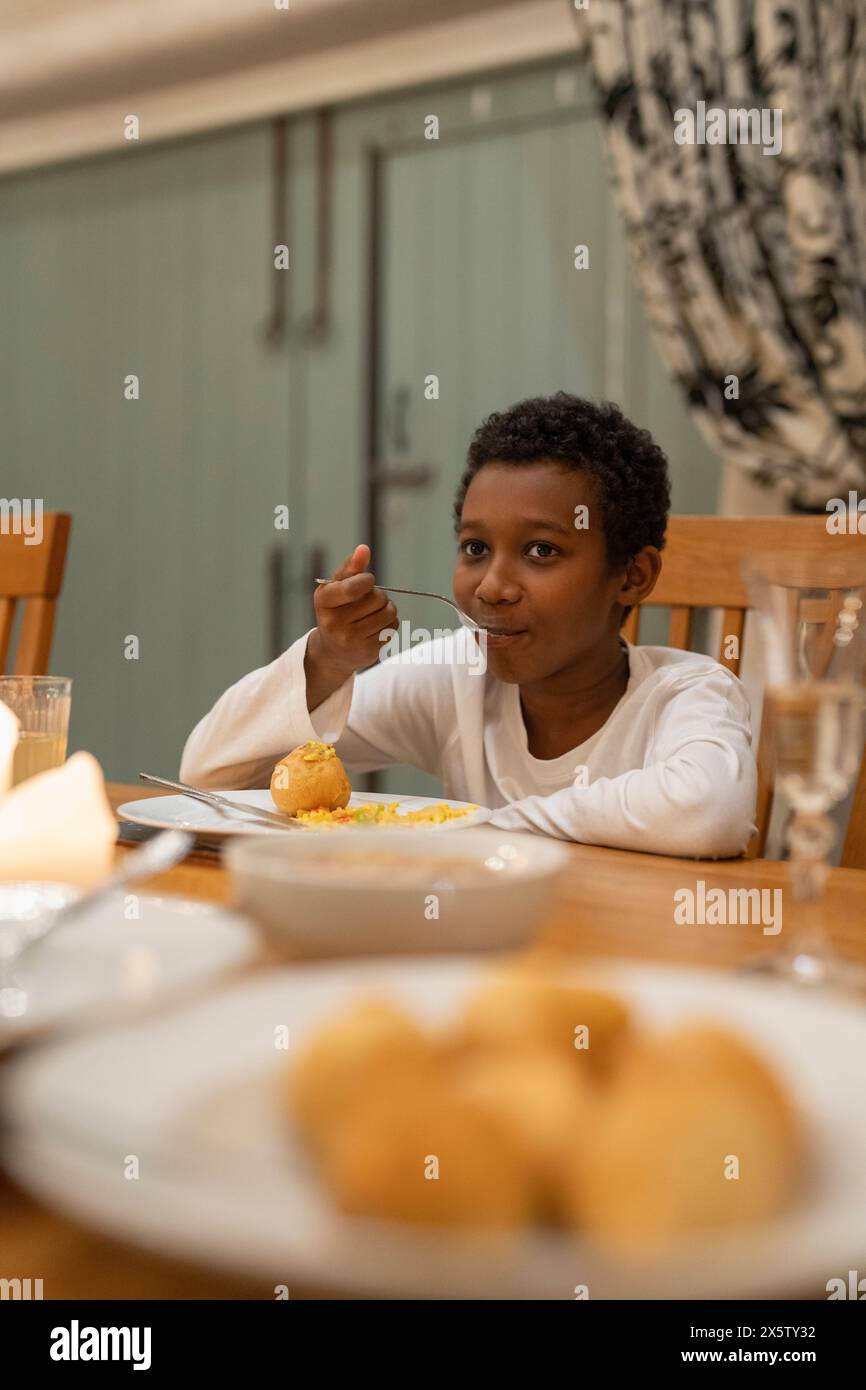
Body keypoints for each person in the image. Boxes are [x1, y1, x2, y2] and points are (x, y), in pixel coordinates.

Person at [181, 393, 757, 856]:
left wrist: (477, 829)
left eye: (540, 551)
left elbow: (708, 812)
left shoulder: (687, 692)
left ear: (632, 576)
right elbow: (212, 775)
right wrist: (330, 660)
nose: (491, 587)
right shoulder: (456, 676)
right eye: (476, 547)